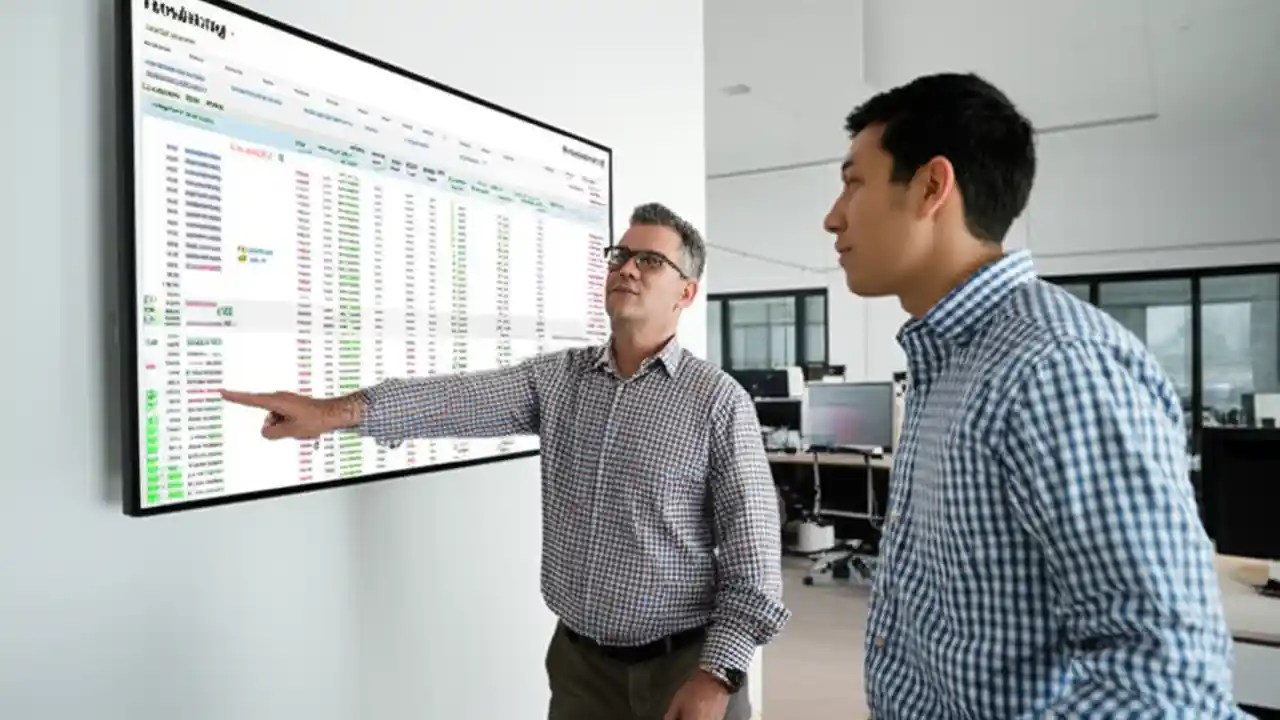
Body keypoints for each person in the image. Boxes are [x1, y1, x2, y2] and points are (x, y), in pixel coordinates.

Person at [222, 202, 789, 720]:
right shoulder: (559, 380)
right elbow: (454, 402)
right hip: (580, 668)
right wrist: (330, 413)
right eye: (620, 256)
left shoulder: (717, 402)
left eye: (649, 260)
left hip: (686, 668)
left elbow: (755, 560)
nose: (627, 269)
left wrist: (717, 677)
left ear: (685, 294)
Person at [822, 73, 1243, 718]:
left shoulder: (1053, 367)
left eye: (854, 182)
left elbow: (1163, 684)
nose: (833, 215)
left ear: (933, 187)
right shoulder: (953, 359)